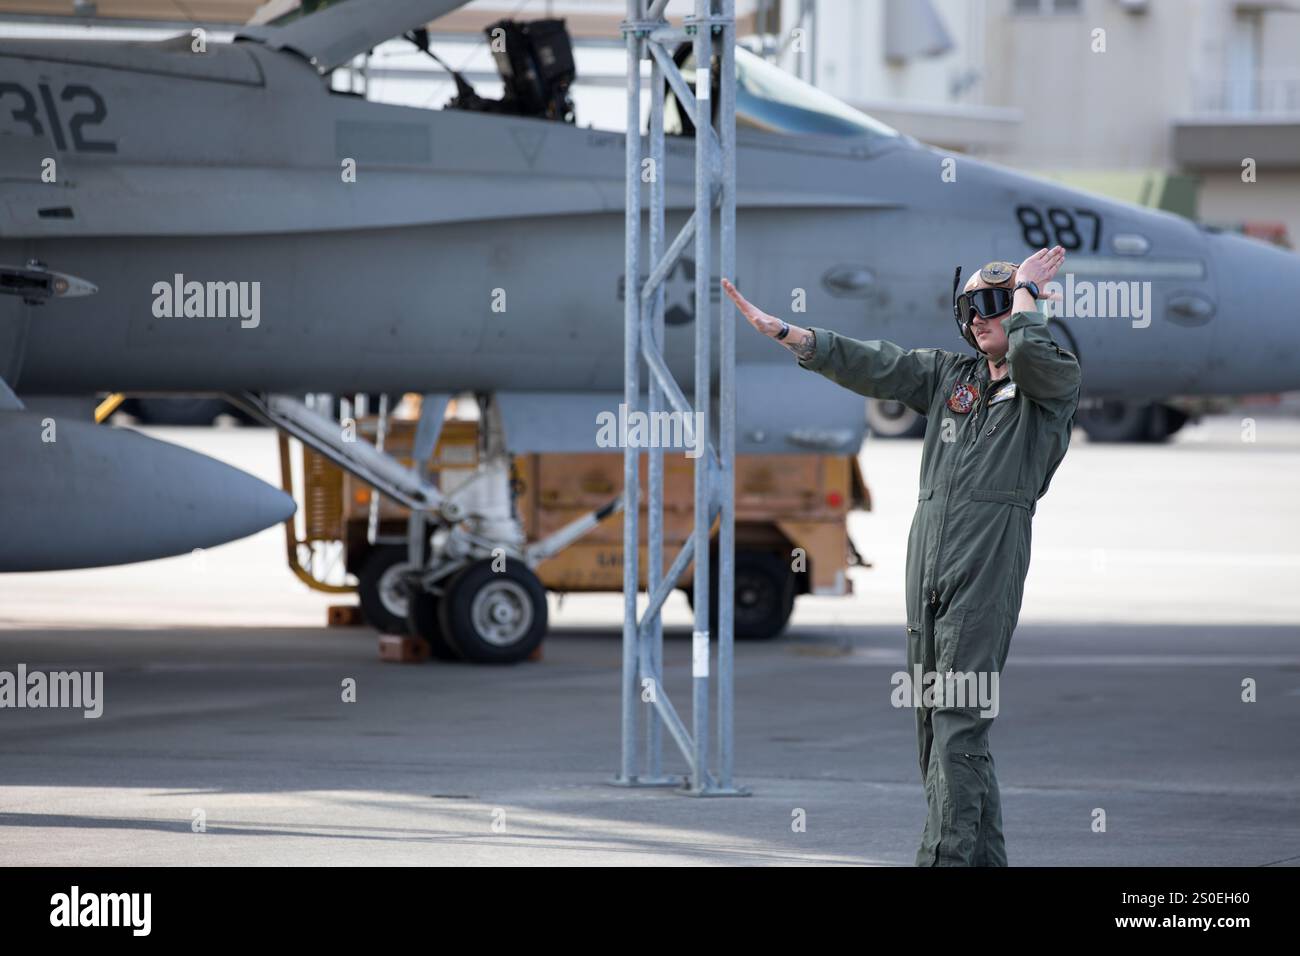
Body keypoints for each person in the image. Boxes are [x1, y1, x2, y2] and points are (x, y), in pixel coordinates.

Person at [720, 246, 1081, 866]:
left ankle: (941, 858)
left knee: (959, 720)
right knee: (935, 729)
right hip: (929, 563)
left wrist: (1026, 293)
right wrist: (791, 336)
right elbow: (875, 365)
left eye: (994, 304)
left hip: (987, 560)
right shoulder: (952, 379)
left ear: (1025, 306)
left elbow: (1030, 354)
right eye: (969, 308)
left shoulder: (1049, 382)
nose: (978, 319)